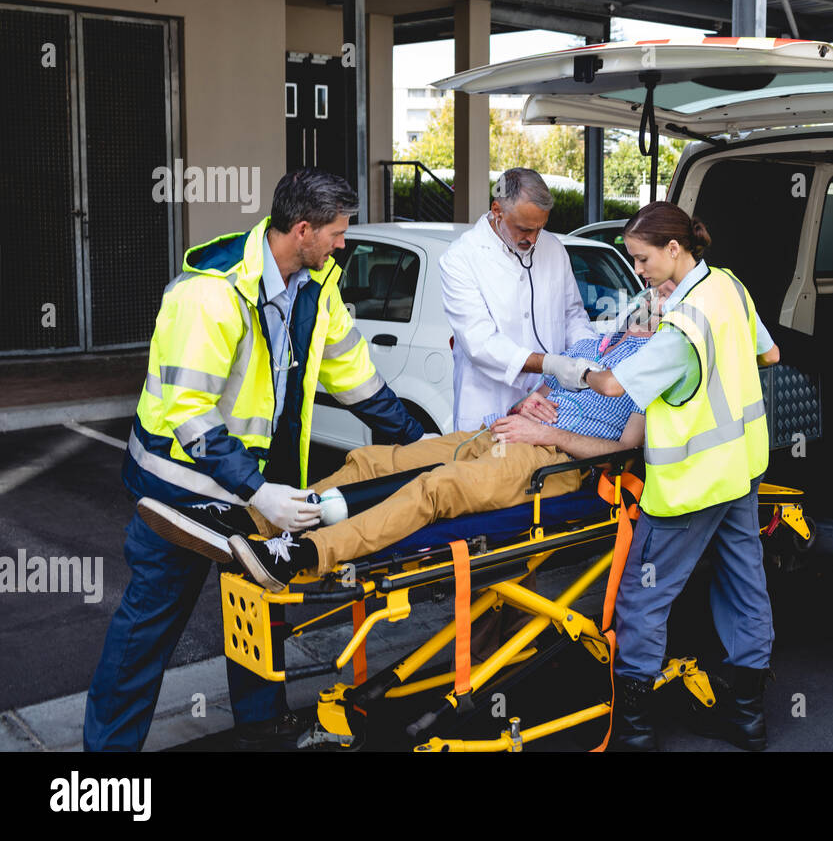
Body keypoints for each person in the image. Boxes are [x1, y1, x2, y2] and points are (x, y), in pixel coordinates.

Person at [84, 168, 425, 752]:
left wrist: (416, 443)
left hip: (255, 488)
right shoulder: (209, 292)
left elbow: (356, 379)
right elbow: (190, 412)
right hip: (180, 491)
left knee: (259, 611)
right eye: (338, 233)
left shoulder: (319, 283)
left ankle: (262, 724)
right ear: (301, 230)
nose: (345, 244)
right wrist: (256, 489)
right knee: (149, 628)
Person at [222, 301, 667, 589]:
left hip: (552, 462)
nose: (653, 292)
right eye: (649, 282)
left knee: (437, 487)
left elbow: (624, 452)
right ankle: (253, 520)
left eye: (667, 289)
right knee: (372, 460)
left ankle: (303, 553)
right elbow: (538, 396)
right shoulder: (592, 341)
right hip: (498, 432)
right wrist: (527, 405)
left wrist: (548, 434)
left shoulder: (658, 364)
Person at [583, 201, 780, 752]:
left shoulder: (682, 325)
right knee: (745, 585)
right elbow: (771, 354)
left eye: (642, 260)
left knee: (643, 598)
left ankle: (636, 732)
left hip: (692, 483)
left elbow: (613, 387)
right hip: (741, 470)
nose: (638, 271)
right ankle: (748, 719)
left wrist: (565, 368)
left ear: (675, 249)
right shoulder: (729, 287)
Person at [439, 167, 599, 432]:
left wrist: (587, 356)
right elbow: (480, 342)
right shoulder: (460, 258)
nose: (534, 239)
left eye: (540, 228)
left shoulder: (553, 248)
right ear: (497, 210)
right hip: (488, 404)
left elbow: (572, 315)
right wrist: (550, 363)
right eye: (524, 229)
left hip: (549, 405)